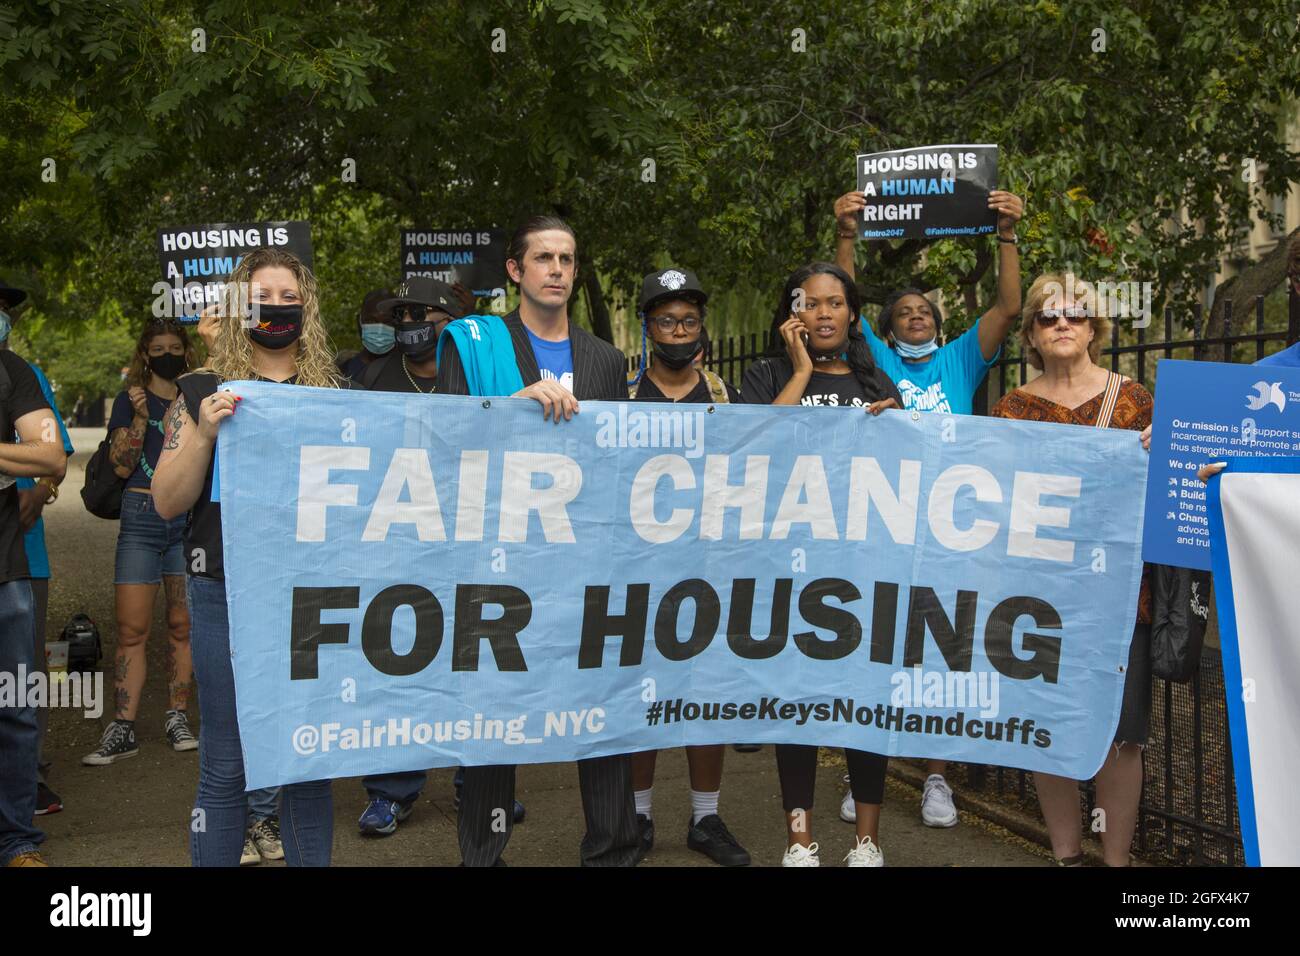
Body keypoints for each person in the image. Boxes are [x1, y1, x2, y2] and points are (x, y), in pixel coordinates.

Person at [437, 215, 640, 867]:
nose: (557, 269)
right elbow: (444, 444)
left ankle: (610, 847)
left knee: (599, 707)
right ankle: (485, 849)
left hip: (583, 568)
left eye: (568, 259)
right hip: (498, 563)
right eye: (543, 258)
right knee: (495, 718)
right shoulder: (473, 342)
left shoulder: (607, 362)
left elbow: (618, 469)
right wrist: (508, 406)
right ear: (515, 271)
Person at [832, 187, 1024, 828]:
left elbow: (1009, 304)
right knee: (879, 646)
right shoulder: (879, 361)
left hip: (950, 528)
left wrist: (1005, 233)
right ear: (887, 328)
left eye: (924, 310)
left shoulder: (959, 360)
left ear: (937, 323)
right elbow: (843, 302)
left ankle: (936, 779)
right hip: (885, 523)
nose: (916, 315)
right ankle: (867, 778)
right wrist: (849, 236)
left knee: (938, 652)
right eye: (904, 311)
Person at [153, 247, 344, 866]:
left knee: (311, 759)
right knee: (227, 762)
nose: (278, 307)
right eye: (264, 295)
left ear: (307, 308)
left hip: (317, 596)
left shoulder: (337, 390)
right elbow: (165, 501)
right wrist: (205, 434)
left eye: (291, 297)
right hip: (224, 594)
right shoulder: (202, 390)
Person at [740, 261, 900, 867]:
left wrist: (895, 428)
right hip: (789, 567)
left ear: (854, 314)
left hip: (862, 566)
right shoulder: (767, 375)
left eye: (837, 303)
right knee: (795, 702)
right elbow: (756, 446)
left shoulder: (876, 378)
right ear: (792, 313)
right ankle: (799, 839)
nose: (825, 313)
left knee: (865, 700)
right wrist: (802, 372)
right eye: (812, 303)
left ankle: (866, 839)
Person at [990, 272, 1152, 867]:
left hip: (1119, 594)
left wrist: (1162, 455)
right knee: (1044, 723)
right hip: (1039, 593)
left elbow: (1168, 494)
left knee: (1120, 731)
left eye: (1075, 315)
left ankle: (1116, 862)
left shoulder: (1134, 401)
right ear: (1031, 333)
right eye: (1047, 316)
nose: (1062, 324)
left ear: (1094, 329)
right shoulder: (1010, 409)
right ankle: (1066, 856)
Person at [626, 267, 749, 866]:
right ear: (649, 329)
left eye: (689, 321)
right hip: (640, 571)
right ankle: (638, 815)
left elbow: (770, 454)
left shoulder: (725, 395)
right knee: (643, 693)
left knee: (706, 695)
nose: (679, 331)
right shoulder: (619, 398)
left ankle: (706, 818)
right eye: (667, 321)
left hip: (710, 568)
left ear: (701, 329)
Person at [83, 319, 198, 767]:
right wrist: (139, 418)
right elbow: (120, 463)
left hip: (184, 522)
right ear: (145, 354)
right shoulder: (128, 399)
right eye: (158, 348)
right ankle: (123, 727)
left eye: (175, 346)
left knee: (182, 626)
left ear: (185, 351)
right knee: (131, 629)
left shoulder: (197, 396)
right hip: (141, 516)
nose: (167, 354)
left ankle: (178, 716)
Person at [0, 275, 67, 867]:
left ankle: (16, 840)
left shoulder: (14, 373)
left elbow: (48, 455)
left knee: (17, 708)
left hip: (7, 570)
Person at [337, 289, 395, 382]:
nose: (380, 329)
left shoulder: (410, 371)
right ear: (359, 321)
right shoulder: (341, 373)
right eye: (371, 321)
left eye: (387, 322)